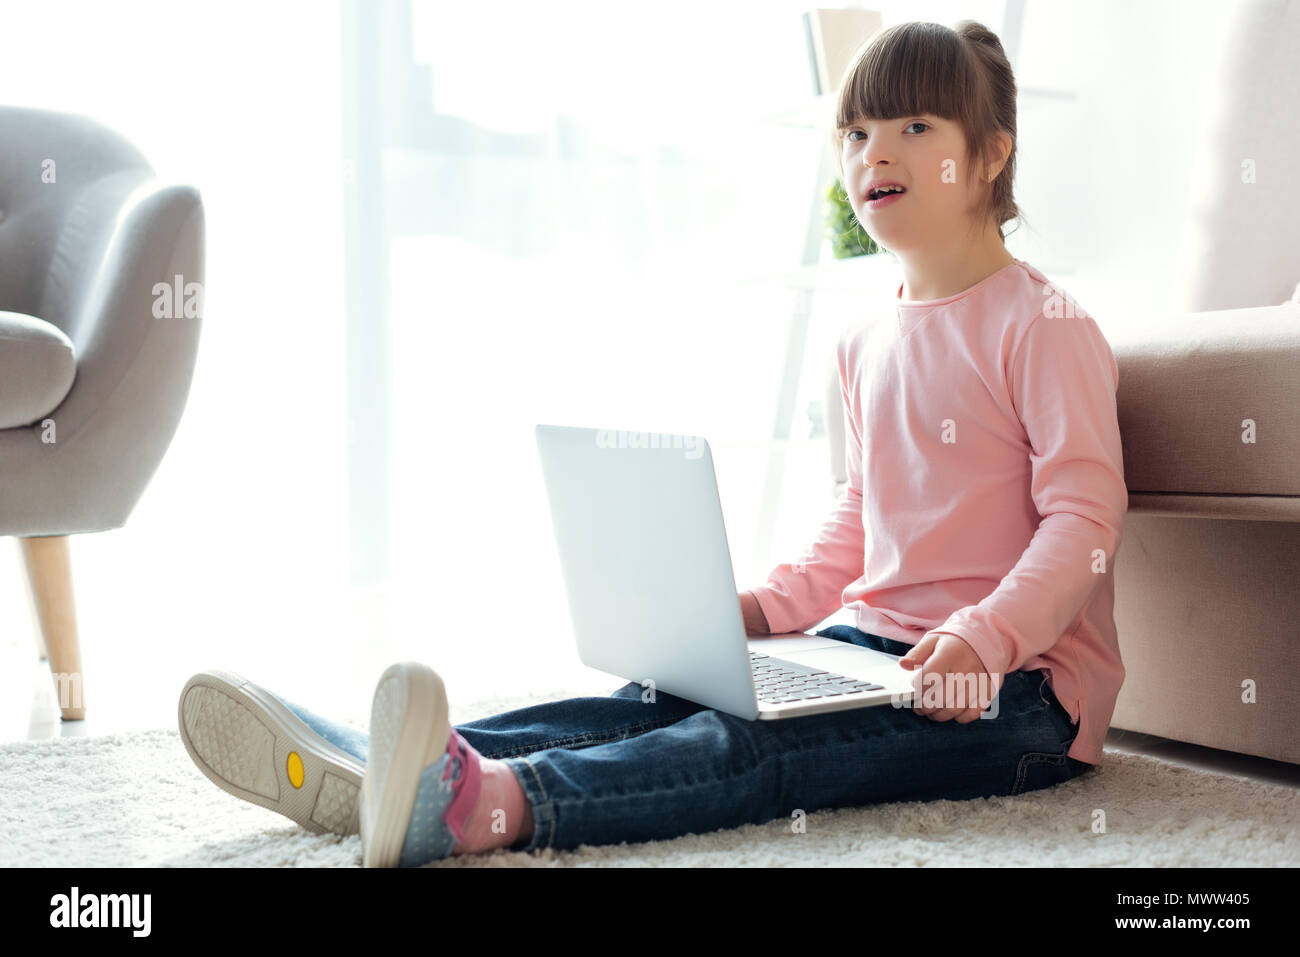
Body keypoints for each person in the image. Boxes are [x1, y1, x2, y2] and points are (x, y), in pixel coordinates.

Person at [178, 19, 1125, 867]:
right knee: (654, 699)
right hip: (869, 646)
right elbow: (862, 514)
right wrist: (756, 609)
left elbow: (1085, 518)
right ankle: (391, 759)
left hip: (1020, 694)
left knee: (756, 749)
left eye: (915, 127)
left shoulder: (1041, 323)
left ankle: (496, 805)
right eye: (858, 130)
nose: (876, 149)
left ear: (992, 154)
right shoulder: (865, 334)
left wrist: (979, 636)